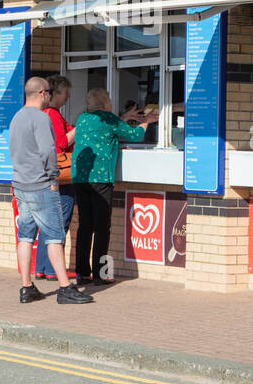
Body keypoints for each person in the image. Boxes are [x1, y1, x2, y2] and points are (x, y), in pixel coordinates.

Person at [9, 76, 92, 305]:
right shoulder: (41, 117)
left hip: (21, 185)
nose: (50, 96)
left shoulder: (16, 117)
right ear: (42, 94)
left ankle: (26, 287)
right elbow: (48, 151)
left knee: (26, 237)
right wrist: (54, 178)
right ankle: (65, 288)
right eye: (48, 92)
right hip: (41, 185)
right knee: (55, 237)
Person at [72, 88, 158, 284]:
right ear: (105, 104)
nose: (111, 102)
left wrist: (124, 117)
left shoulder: (83, 119)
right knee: (102, 226)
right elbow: (134, 135)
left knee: (85, 225)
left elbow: (104, 129)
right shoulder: (108, 118)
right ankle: (100, 275)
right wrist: (146, 122)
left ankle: (82, 272)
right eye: (109, 99)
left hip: (80, 178)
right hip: (100, 177)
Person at [34, 74, 76, 280]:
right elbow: (61, 143)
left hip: (44, 176)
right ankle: (53, 270)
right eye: (66, 93)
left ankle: (42, 267)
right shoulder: (52, 114)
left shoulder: (44, 114)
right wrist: (80, 128)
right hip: (61, 177)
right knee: (59, 224)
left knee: (47, 224)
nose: (68, 97)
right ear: (56, 93)